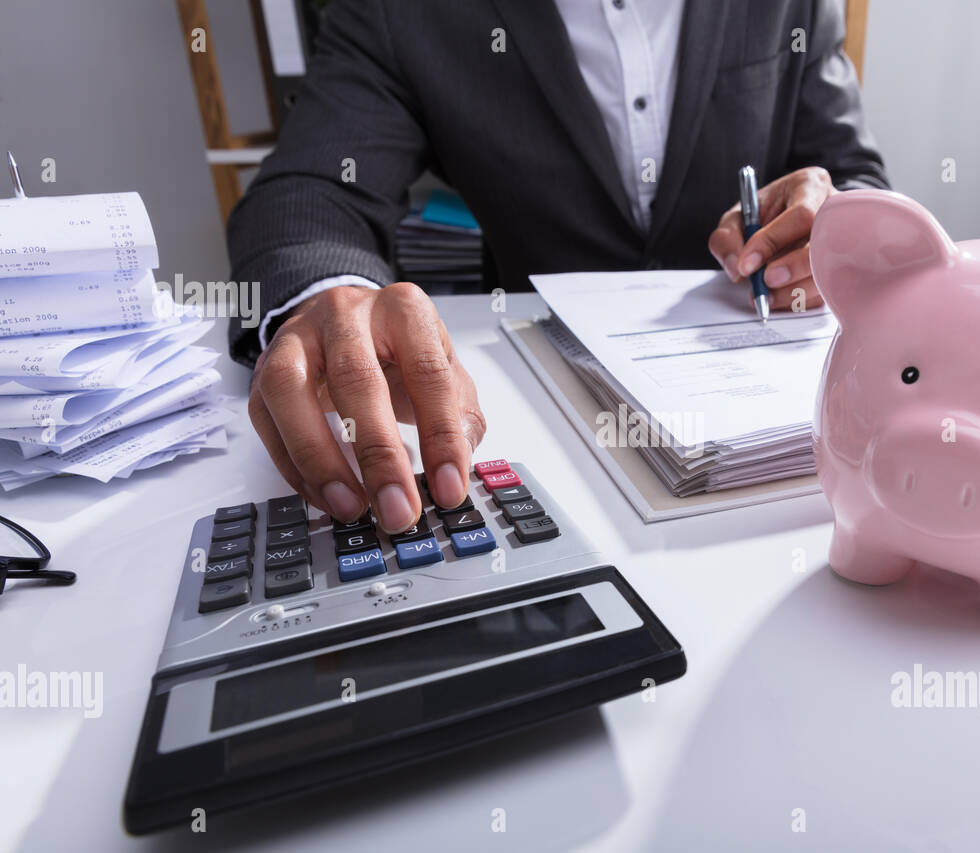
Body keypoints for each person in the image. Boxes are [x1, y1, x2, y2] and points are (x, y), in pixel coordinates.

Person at [227, 0, 888, 533]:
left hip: (790, 462)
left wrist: (835, 222)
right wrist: (328, 296)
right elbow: (311, 188)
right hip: (545, 436)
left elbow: (854, 175)